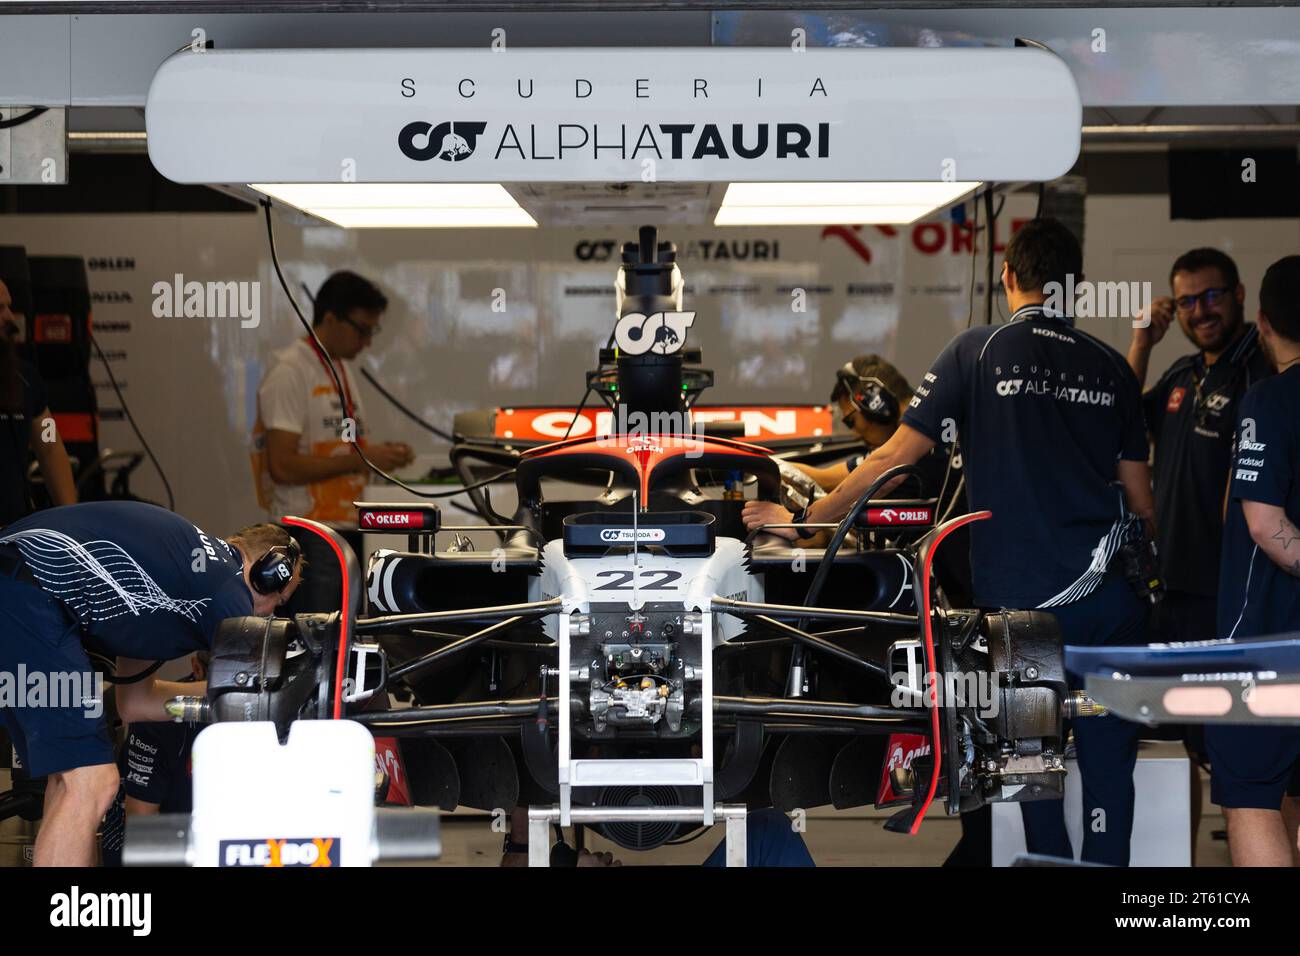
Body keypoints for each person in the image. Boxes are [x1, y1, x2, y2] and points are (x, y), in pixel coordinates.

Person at [744, 218, 1156, 865]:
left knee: (1034, 777)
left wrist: (806, 522)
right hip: (1109, 608)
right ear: (1074, 288)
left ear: (1007, 277)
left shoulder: (976, 351)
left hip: (1023, 621)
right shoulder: (1112, 368)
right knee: (1107, 775)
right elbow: (1142, 500)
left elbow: (890, 460)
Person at [0, 502, 302, 865]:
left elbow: (136, 703)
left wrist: (214, 693)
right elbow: (256, 708)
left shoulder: (175, 578)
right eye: (279, 597)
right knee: (92, 781)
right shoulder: (228, 589)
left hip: (19, 590)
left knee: (71, 779)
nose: (273, 613)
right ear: (267, 573)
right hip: (30, 594)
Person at [1207, 254, 1300, 867]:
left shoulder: (1267, 400)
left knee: (1251, 798)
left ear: (1262, 323)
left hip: (1265, 644)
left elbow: (1266, 528)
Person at [252, 270, 413, 527]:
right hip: (306, 531)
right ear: (329, 319)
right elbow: (281, 467)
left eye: (372, 331)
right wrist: (363, 460)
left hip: (346, 525)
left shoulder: (339, 365)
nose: (368, 342)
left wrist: (379, 455)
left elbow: (337, 446)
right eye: (361, 330)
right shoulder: (289, 371)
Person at [0, 278, 77, 526]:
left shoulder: (25, 378)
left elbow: (50, 446)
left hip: (14, 534)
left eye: (9, 307)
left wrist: (72, 521)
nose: (10, 318)